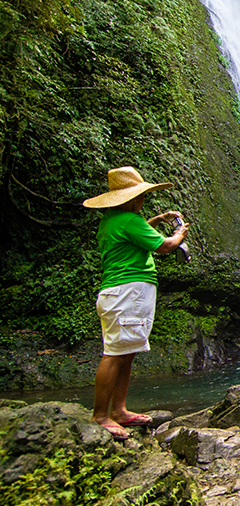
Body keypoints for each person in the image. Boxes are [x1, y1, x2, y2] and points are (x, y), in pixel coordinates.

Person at [83, 167, 190, 441]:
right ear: (131, 199)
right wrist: (180, 235)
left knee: (126, 352)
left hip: (121, 294)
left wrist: (157, 220)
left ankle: (118, 410)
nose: (143, 200)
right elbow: (164, 246)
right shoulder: (130, 221)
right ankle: (100, 416)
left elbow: (136, 232)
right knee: (115, 353)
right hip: (127, 294)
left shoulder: (112, 221)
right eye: (141, 195)